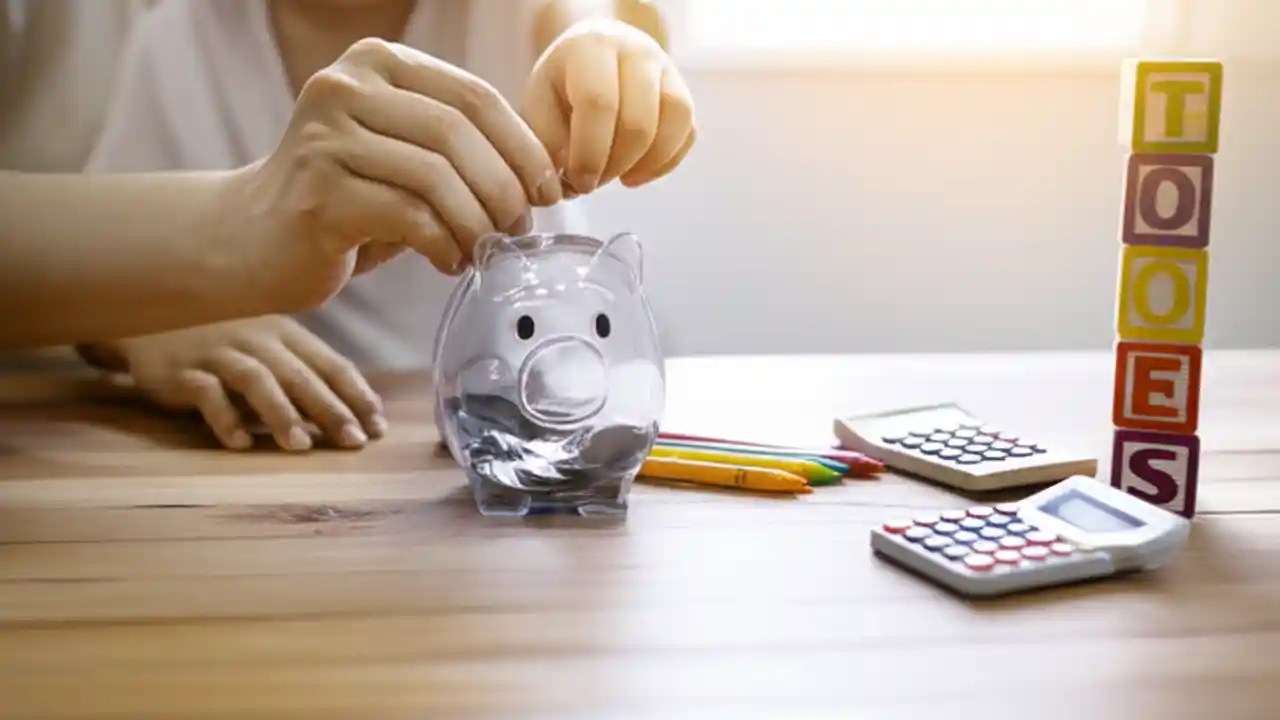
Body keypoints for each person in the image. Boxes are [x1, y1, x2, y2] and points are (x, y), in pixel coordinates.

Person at [76, 0, 696, 453]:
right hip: (295, 450)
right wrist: (149, 333)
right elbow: (92, 275)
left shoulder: (512, 13)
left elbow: (599, 20)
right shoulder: (176, 43)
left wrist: (614, 43)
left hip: (541, 423)